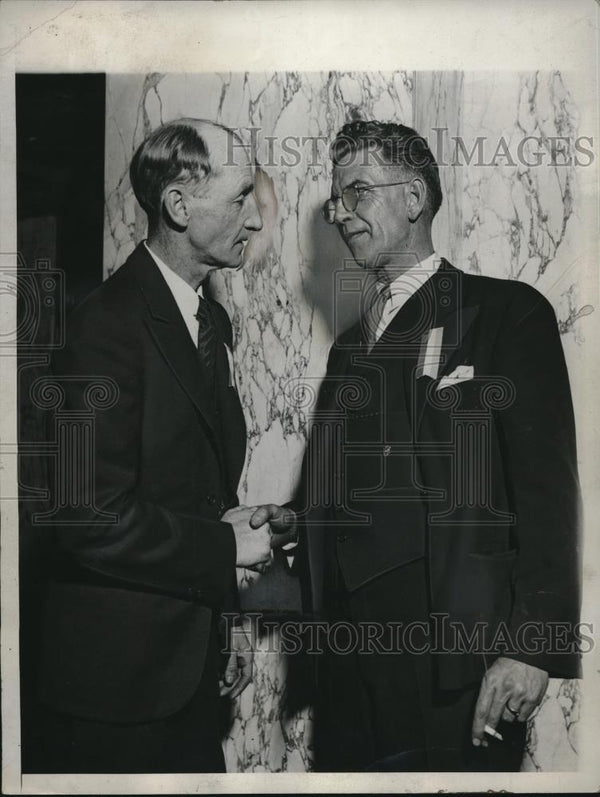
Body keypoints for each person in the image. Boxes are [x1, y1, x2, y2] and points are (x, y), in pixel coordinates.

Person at [261, 119, 582, 772]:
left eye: (357, 193)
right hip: (345, 664)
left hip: (454, 666)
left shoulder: (505, 314)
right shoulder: (350, 347)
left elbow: (548, 497)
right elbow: (345, 495)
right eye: (335, 199)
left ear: (413, 197)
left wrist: (533, 647)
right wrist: (294, 520)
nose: (341, 214)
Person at [24, 119, 293, 774]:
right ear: (178, 205)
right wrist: (226, 548)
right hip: (113, 695)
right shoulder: (103, 326)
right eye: (239, 199)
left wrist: (223, 613)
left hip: (187, 668)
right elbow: (86, 517)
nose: (256, 219)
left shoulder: (209, 321)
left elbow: (203, 489)